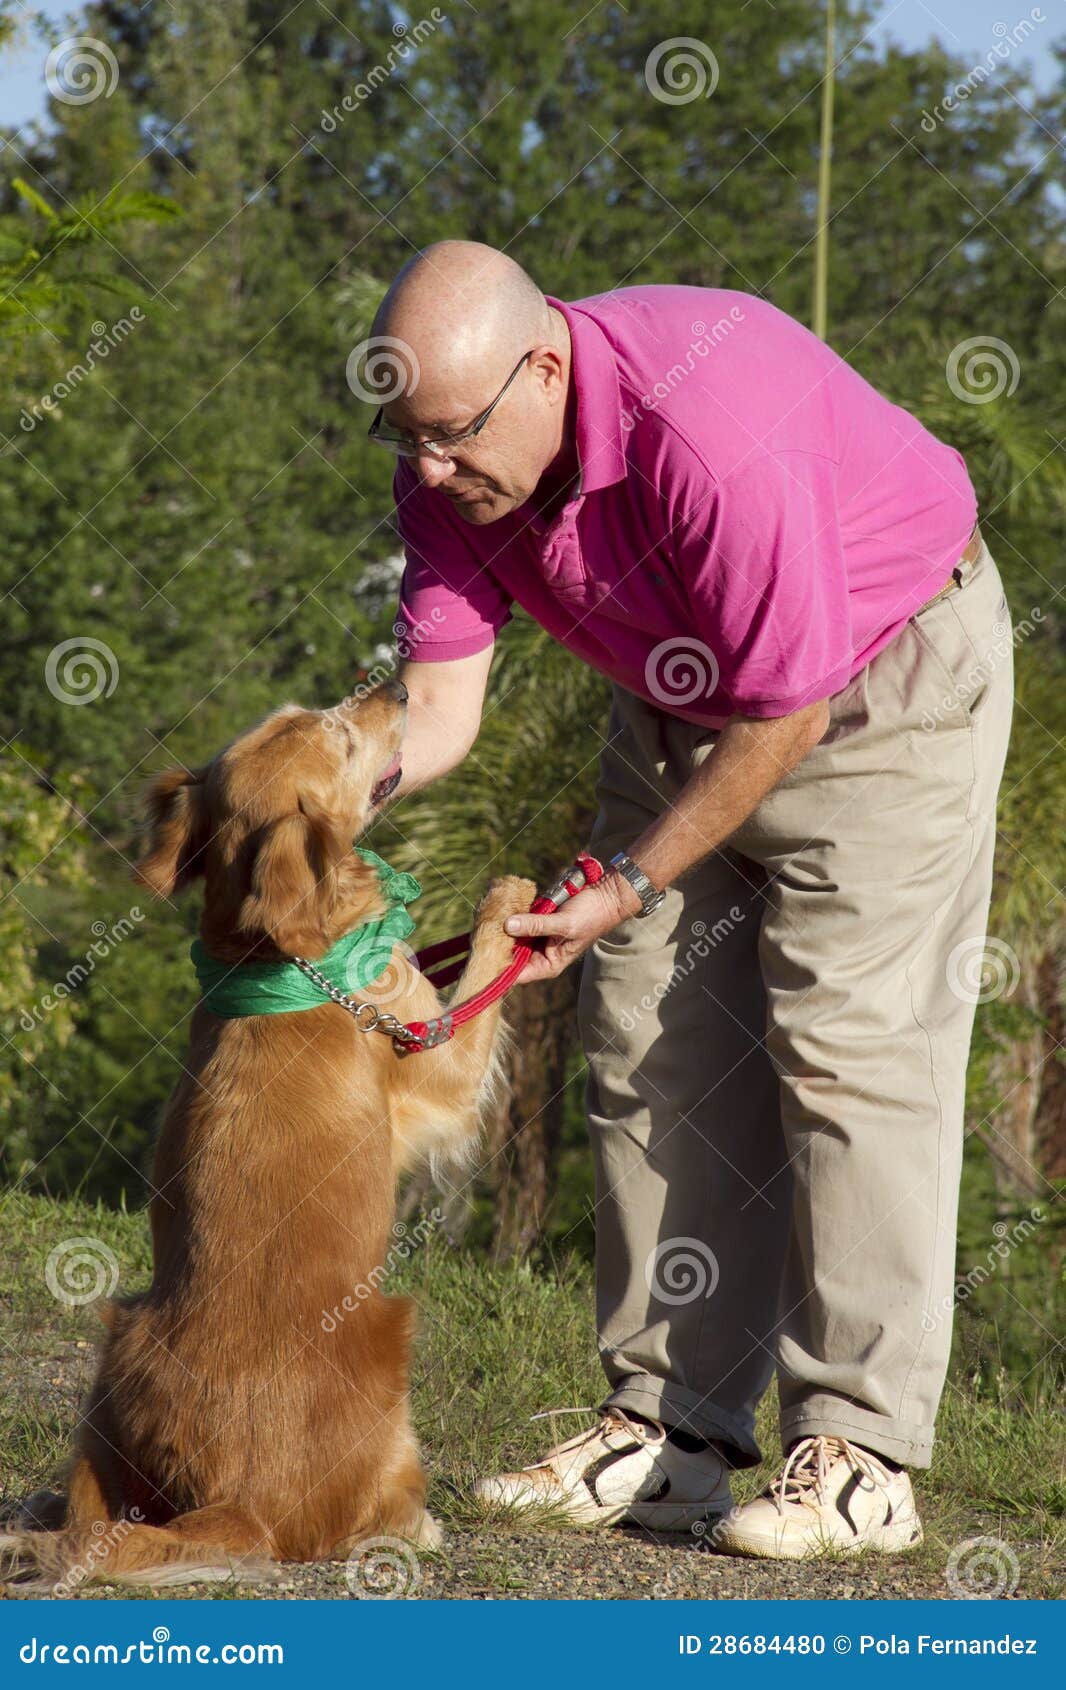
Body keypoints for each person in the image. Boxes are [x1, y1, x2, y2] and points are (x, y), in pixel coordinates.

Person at [365, 240, 1013, 1558]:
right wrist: (314, 806)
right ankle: (671, 1434)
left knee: (849, 1048)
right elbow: (434, 713)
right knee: (649, 1043)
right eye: (404, 436)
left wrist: (629, 879)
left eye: (447, 437)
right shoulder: (452, 462)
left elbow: (791, 709)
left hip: (879, 692)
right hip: (682, 694)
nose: (425, 471)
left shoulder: (711, 431)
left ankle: (861, 1453)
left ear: (541, 365)